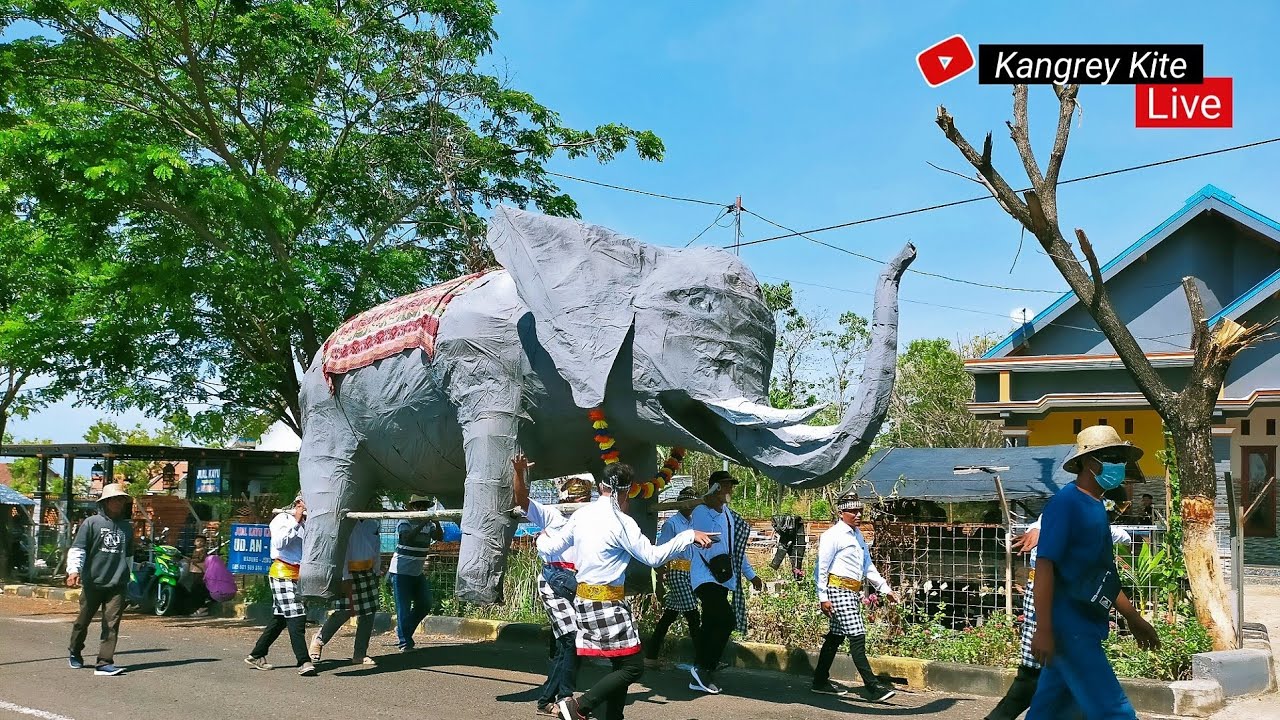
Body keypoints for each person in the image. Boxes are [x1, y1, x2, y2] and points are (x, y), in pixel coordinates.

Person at [536, 463, 714, 720]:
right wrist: (688, 536)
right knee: (632, 667)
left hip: (584, 601)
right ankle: (579, 707)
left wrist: (541, 539)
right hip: (607, 604)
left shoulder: (581, 515)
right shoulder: (622, 523)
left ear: (601, 487)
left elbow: (551, 548)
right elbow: (653, 557)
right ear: (629, 490)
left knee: (622, 663)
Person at [1026, 425, 1161, 720]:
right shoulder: (1066, 504)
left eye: (1120, 457)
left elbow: (1105, 575)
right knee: (1114, 711)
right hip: (1070, 630)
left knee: (1051, 711)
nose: (1119, 465)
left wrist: (1134, 618)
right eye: (1112, 457)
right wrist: (1044, 629)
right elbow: (1045, 566)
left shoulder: (1096, 507)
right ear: (1090, 463)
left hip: (1084, 625)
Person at [985, 501, 1134, 720]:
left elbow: (1119, 541)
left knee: (1059, 679)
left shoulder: (1094, 526)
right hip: (1053, 600)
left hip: (1075, 607)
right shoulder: (1066, 511)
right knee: (1039, 672)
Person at [512, 455, 593, 716]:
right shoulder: (552, 515)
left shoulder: (591, 518)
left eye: (585, 498)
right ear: (566, 498)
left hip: (578, 582)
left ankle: (547, 700)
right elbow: (522, 500)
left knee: (567, 644)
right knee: (572, 640)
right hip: (554, 580)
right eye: (576, 498)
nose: (581, 503)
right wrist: (520, 473)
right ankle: (565, 697)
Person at [811, 494, 899, 701]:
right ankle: (873, 687)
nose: (858, 515)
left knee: (835, 637)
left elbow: (867, 566)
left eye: (860, 511)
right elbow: (821, 568)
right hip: (837, 590)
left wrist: (885, 589)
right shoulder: (832, 536)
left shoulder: (857, 535)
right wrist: (823, 596)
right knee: (857, 636)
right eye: (853, 511)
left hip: (852, 591)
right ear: (841, 513)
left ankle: (819, 681)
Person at [688, 470, 763, 695]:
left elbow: (735, 550)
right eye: (725, 485)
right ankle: (704, 668)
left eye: (730, 485)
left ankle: (700, 667)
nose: (730, 489)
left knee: (711, 623)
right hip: (705, 578)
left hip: (723, 578)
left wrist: (751, 575)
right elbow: (707, 539)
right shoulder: (702, 511)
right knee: (727, 620)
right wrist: (711, 504)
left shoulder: (729, 515)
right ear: (715, 488)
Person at [66, 482, 133, 676]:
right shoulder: (91, 523)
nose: (119, 503)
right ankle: (75, 651)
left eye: (121, 499)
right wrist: (73, 571)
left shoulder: (127, 527)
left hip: (117, 583)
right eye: (115, 499)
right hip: (93, 582)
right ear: (106, 502)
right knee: (82, 621)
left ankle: (104, 663)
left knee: (111, 624)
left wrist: (129, 577)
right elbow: (79, 548)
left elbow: (128, 556)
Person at [245, 494, 315, 675]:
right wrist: (296, 521)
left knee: (280, 619)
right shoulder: (281, 519)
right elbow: (279, 543)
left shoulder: (310, 521)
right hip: (282, 573)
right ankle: (304, 661)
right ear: (299, 502)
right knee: (297, 616)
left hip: (300, 575)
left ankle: (256, 654)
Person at [310, 505, 383, 668]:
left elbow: (376, 547)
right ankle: (319, 639)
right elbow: (342, 550)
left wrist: (377, 571)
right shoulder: (348, 521)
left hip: (368, 571)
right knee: (345, 611)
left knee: (368, 614)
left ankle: (359, 654)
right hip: (349, 571)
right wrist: (345, 577)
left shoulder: (373, 523)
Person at [645, 485, 703, 669]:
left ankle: (651, 656)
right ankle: (704, 660)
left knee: (669, 616)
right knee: (693, 615)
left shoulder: (694, 523)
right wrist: (661, 579)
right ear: (684, 504)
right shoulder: (672, 524)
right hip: (676, 572)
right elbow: (662, 551)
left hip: (690, 572)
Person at [387, 494, 443, 653]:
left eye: (424, 506)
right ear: (412, 508)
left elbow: (439, 537)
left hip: (417, 572)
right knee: (403, 607)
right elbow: (407, 539)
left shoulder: (429, 526)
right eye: (418, 506)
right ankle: (405, 642)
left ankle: (403, 629)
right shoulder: (405, 522)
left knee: (425, 604)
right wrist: (423, 522)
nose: (421, 509)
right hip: (401, 572)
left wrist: (436, 523)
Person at [769, 512, 807, 582]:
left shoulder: (798, 529)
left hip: (796, 539)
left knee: (796, 555)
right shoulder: (790, 531)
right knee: (794, 555)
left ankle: (797, 573)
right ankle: (797, 573)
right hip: (793, 537)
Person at [182, 536, 212, 617]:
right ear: (194, 542)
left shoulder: (203, 550)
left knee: (198, 589)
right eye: (198, 541)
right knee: (193, 589)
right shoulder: (195, 550)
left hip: (200, 571)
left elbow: (200, 559)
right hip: (194, 570)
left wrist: (190, 560)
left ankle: (201, 608)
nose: (200, 543)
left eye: (202, 541)